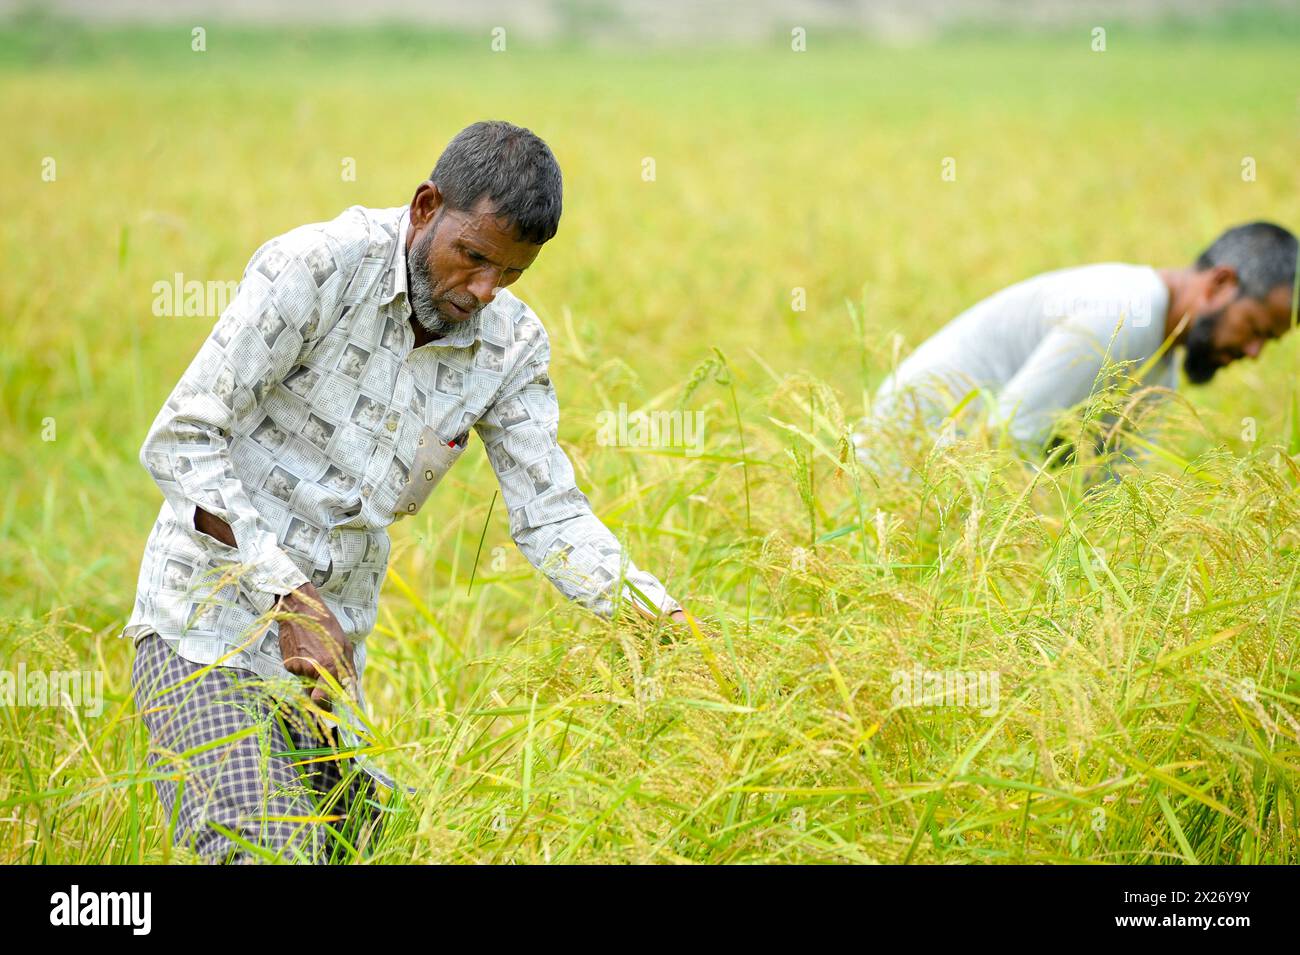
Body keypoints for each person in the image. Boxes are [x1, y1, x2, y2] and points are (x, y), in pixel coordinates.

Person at [125, 120, 695, 863]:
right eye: (473, 258)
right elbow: (180, 438)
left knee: (390, 848)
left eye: (512, 274)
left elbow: (552, 514)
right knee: (260, 850)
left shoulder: (510, 346)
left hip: (324, 671)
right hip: (203, 631)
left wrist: (658, 615)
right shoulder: (319, 267)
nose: (484, 290)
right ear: (427, 207)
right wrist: (287, 596)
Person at [853, 222, 1298, 470]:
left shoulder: (1161, 367)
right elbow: (1006, 439)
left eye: (1269, 342)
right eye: (1255, 327)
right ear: (1219, 284)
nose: (1255, 352)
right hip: (903, 461)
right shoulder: (1122, 315)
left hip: (947, 473)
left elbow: (1114, 491)